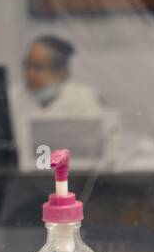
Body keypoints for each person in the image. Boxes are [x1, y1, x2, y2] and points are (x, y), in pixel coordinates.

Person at [9, 35, 105, 165]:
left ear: (61, 72)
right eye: (27, 65)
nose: (29, 74)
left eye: (38, 67)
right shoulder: (11, 98)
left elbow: (96, 150)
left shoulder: (83, 99)